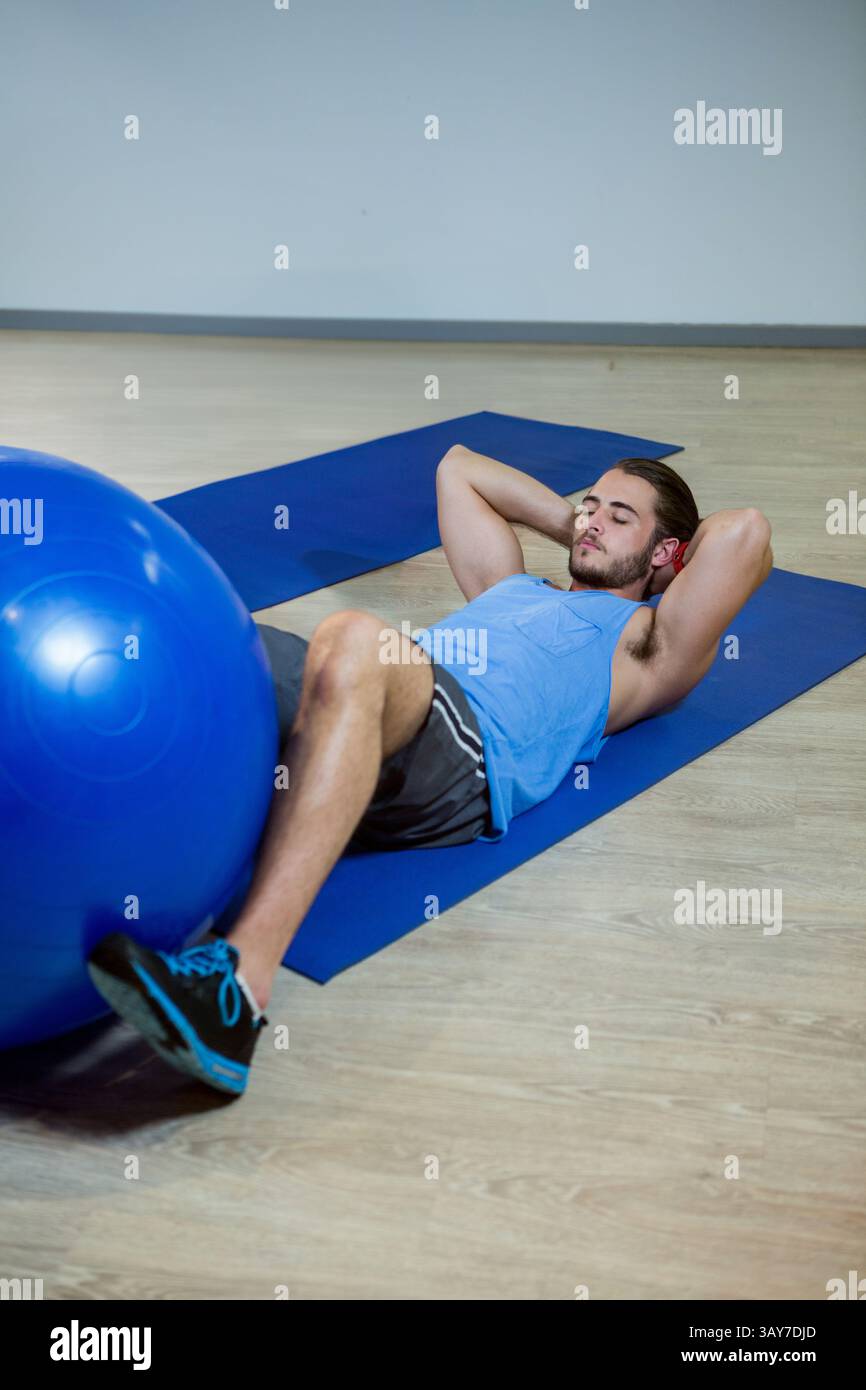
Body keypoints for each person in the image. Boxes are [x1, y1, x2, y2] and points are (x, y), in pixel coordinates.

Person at [88, 446, 773, 1095]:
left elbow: (745, 534)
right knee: (213, 639)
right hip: (371, 699)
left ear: (666, 551)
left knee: (356, 636)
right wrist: (585, 528)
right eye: (589, 505)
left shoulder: (646, 646)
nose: (593, 520)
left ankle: (238, 989)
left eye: (619, 516)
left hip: (463, 755)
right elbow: (460, 470)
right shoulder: (508, 588)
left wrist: (656, 552)